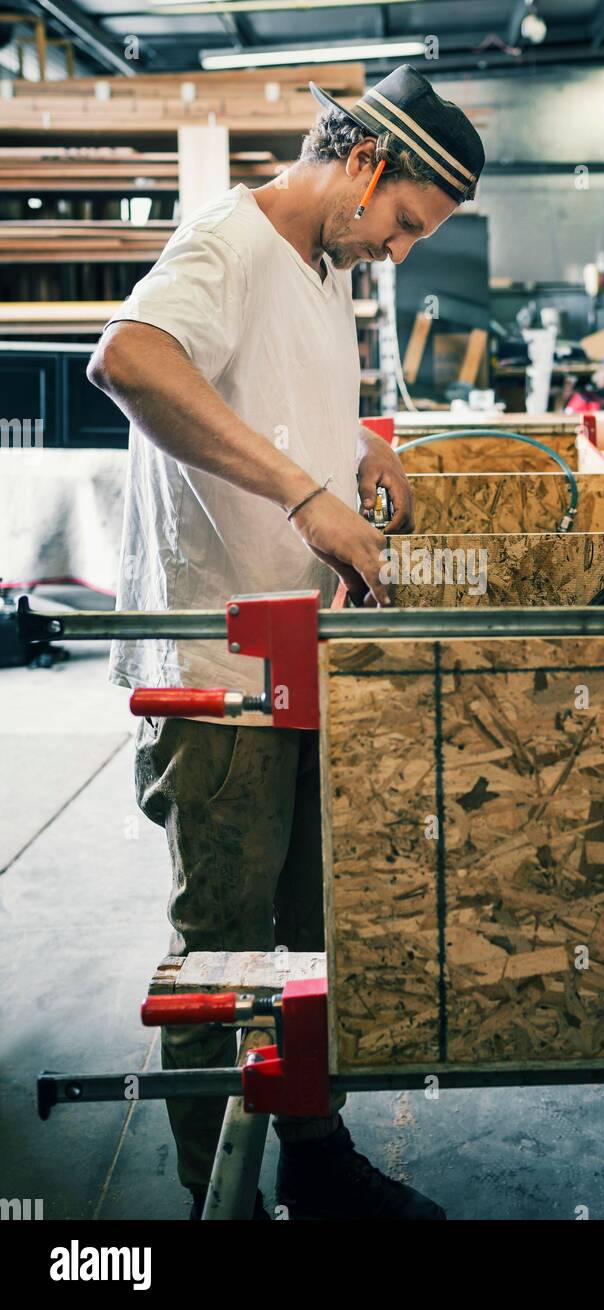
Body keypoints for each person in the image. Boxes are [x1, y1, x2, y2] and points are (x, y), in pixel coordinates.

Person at [87, 64, 485, 1221]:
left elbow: (273, 395)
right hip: (219, 672)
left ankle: (310, 1151)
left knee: (316, 924)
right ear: (362, 164)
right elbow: (130, 360)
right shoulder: (229, 240)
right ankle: (220, 1199)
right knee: (227, 943)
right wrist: (311, 496)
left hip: (309, 656)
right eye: (405, 222)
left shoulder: (323, 267)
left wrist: (362, 443)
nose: (400, 251)